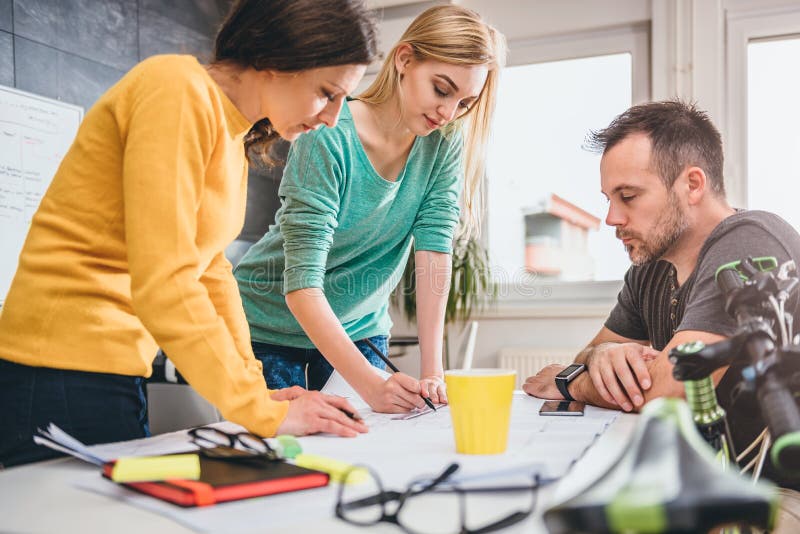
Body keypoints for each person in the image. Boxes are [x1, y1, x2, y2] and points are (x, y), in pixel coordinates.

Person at [0, 0, 378, 469]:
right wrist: (255, 410)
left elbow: (210, 273)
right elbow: (168, 282)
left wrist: (255, 388)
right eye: (327, 93)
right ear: (279, 59)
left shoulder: (231, 134)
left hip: (108, 367)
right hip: (57, 364)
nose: (332, 117)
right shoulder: (175, 88)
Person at [234, 5, 506, 413]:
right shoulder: (327, 134)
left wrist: (434, 372)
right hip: (270, 322)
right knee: (289, 456)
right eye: (441, 89)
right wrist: (371, 387)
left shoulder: (444, 143)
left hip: (361, 327)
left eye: (465, 103)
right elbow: (302, 286)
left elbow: (434, 251)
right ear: (405, 59)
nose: (448, 113)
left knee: (366, 450)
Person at [522, 100, 800, 487]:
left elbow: (670, 391)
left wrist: (571, 382)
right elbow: (589, 356)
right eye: (609, 200)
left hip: (781, 493)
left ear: (692, 185)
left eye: (629, 196)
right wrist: (604, 356)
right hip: (706, 481)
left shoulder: (751, 240)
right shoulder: (649, 269)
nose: (612, 219)